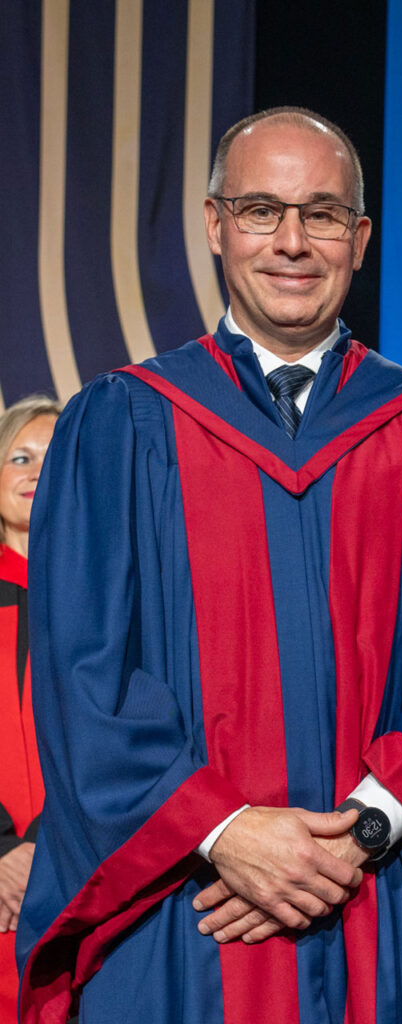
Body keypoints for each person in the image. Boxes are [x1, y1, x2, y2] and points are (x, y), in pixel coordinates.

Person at [17, 108, 402, 1023]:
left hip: (375, 901)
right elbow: (81, 678)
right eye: (262, 210)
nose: (292, 242)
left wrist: (356, 839)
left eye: (323, 214)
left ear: (362, 239)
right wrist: (224, 831)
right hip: (181, 905)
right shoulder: (121, 424)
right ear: (215, 225)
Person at [0, 396, 60, 1024]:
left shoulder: (113, 598)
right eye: (20, 456)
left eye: (53, 457)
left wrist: (46, 846)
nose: (37, 471)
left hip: (79, 864)